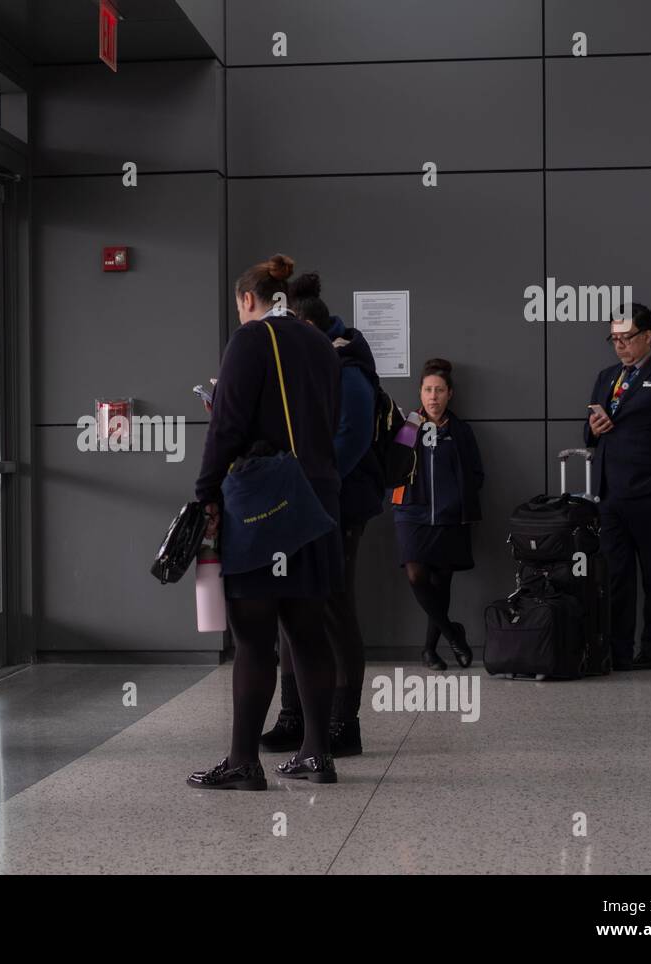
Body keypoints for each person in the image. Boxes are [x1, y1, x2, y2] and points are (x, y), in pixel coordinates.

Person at [189, 254, 342, 791]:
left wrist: (205, 492)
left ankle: (242, 763)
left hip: (262, 506)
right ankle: (317, 755)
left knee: (254, 639)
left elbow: (227, 426)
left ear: (248, 300)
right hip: (316, 503)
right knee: (308, 632)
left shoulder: (250, 341)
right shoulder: (321, 345)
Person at [260, 272, 381, 758]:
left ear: (310, 327)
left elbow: (346, 446)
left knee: (334, 607)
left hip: (338, 506)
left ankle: (342, 724)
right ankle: (294, 716)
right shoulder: (315, 365)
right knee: (294, 606)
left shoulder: (349, 371)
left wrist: (302, 484)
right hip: (305, 502)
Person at [585, 303, 651, 670]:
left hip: (649, 494)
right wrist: (593, 429)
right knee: (616, 577)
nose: (619, 346)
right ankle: (618, 651)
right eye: (613, 339)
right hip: (609, 493)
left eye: (626, 338)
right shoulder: (606, 377)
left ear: (648, 336)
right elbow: (590, 433)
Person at [390, 358, 483, 671]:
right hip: (411, 514)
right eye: (428, 390)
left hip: (448, 517)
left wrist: (456, 500)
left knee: (441, 585)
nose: (433, 396)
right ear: (420, 392)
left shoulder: (461, 432)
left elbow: (476, 474)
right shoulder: (408, 427)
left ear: (450, 394)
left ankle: (429, 650)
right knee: (416, 575)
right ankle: (454, 634)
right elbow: (395, 465)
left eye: (439, 390)